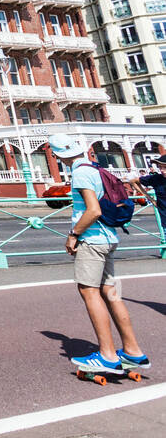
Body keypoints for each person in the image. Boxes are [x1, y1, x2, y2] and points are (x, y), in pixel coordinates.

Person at [48, 134, 149, 376]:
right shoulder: (94, 168)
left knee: (89, 292)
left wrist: (73, 235)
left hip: (92, 241)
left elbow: (92, 210)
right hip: (109, 238)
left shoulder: (80, 173)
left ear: (57, 155)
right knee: (111, 293)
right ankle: (133, 351)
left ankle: (107, 355)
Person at [133, 156, 166, 224]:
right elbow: (133, 181)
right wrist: (151, 199)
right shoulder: (156, 178)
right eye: (160, 167)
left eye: (165, 167)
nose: (162, 170)